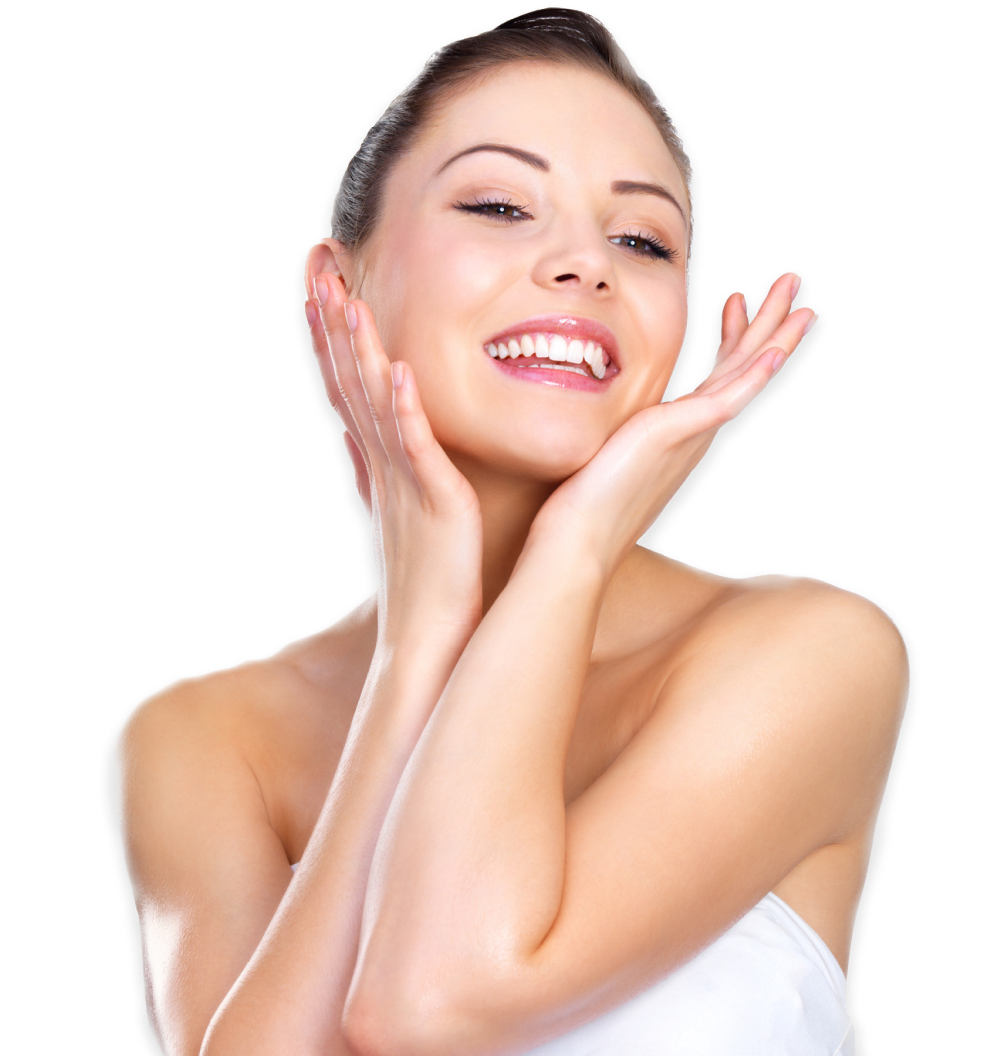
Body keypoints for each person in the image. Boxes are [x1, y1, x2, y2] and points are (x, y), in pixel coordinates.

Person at [110, 10, 911, 1055]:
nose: (587, 265)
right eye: (499, 205)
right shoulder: (204, 739)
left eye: (641, 239)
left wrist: (574, 548)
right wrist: (415, 653)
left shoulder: (812, 653)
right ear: (339, 288)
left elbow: (433, 1000)